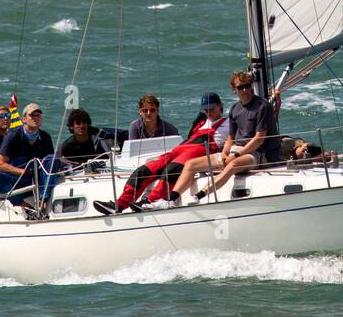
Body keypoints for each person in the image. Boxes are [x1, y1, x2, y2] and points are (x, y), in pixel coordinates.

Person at [160, 72, 281, 208]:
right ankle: (171, 199)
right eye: (241, 87)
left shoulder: (263, 106)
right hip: (236, 150)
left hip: (257, 153)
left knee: (233, 165)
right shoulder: (235, 108)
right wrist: (225, 153)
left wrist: (236, 155)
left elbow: (259, 139)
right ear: (234, 89)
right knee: (190, 164)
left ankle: (200, 194)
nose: (245, 90)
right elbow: (231, 137)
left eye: (247, 86)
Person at [94, 95, 229, 215]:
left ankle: (150, 201)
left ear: (220, 107)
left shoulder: (228, 123)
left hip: (199, 151)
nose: (208, 111)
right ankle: (119, 204)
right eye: (206, 109)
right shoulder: (200, 123)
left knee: (172, 169)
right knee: (145, 169)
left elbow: (236, 137)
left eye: (211, 108)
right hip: (181, 149)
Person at [0, 103, 59, 209]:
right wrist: (25, 172)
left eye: (38, 115)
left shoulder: (45, 137)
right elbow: (0, 164)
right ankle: (20, 202)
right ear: (24, 119)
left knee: (53, 159)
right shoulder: (13, 136)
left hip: (38, 178)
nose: (36, 118)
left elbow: (49, 163)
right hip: (17, 179)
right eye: (32, 115)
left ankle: (43, 199)